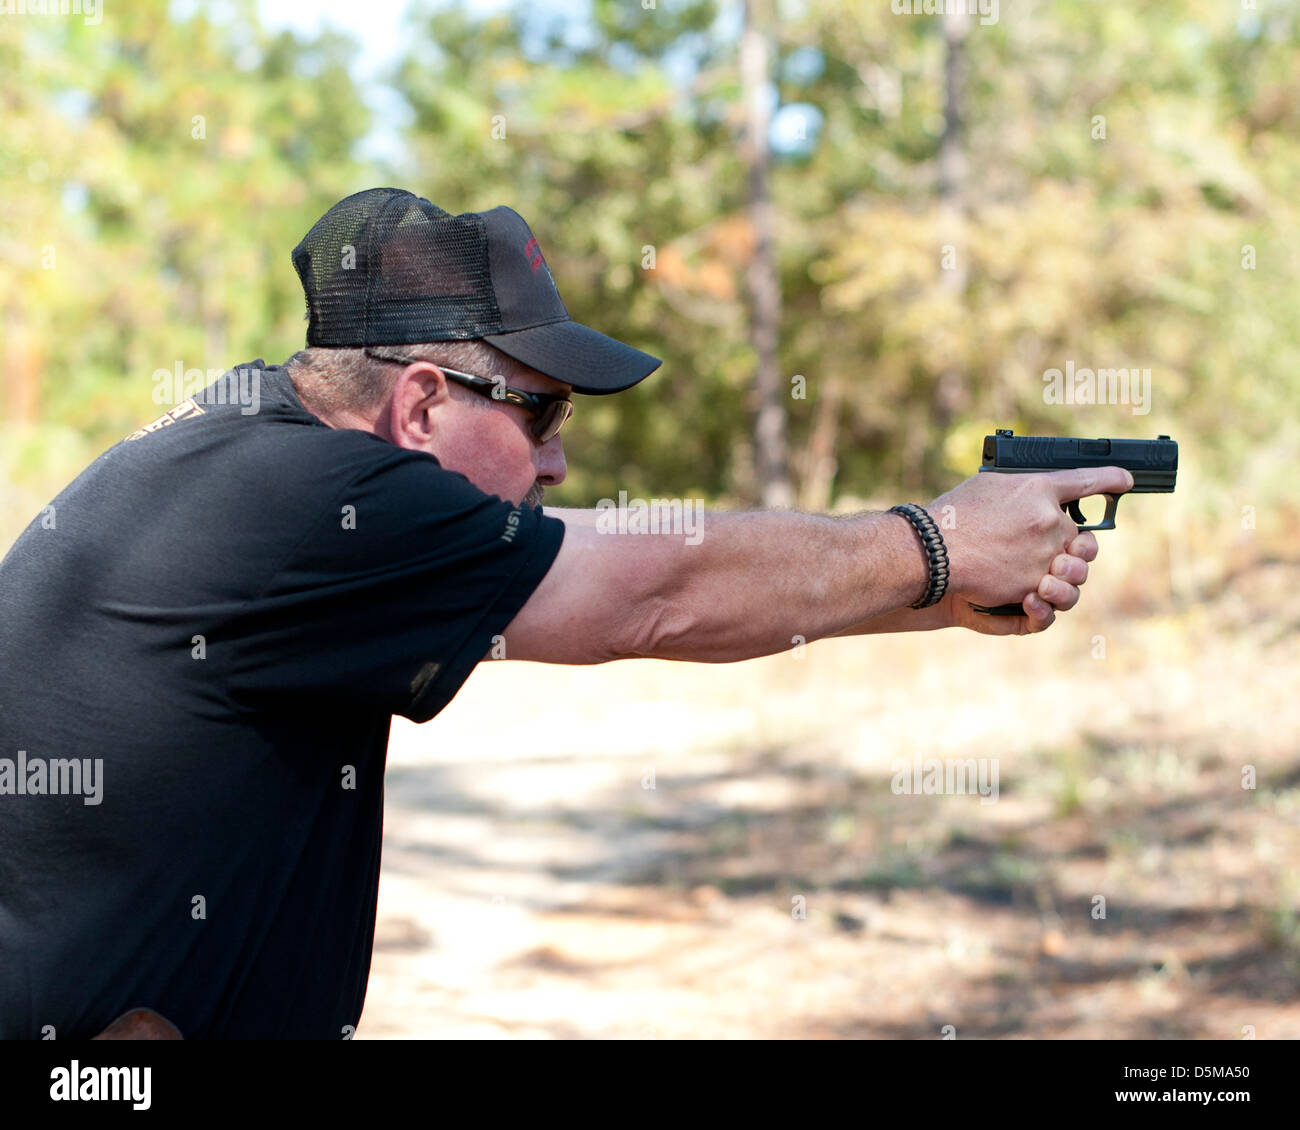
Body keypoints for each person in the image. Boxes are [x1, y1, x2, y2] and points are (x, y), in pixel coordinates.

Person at [0, 187, 1132, 1039]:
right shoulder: (309, 500)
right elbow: (647, 591)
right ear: (423, 402)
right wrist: (937, 543)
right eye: (538, 412)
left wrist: (938, 592)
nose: (556, 459)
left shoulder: (257, 454)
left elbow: (631, 585)